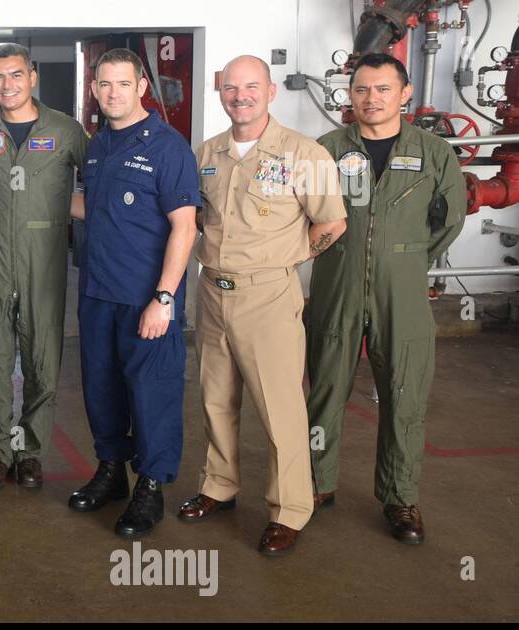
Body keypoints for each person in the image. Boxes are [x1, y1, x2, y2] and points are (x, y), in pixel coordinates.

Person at [177, 56, 347, 556]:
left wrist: (289, 260)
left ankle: (290, 508)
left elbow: (331, 224)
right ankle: (219, 486)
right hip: (211, 292)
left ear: (270, 91)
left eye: (251, 86)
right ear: (221, 93)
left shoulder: (304, 153)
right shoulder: (207, 153)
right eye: (231, 88)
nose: (240, 96)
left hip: (269, 295)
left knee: (280, 409)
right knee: (215, 399)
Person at [308, 52, 466, 544]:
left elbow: (451, 217)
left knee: (404, 394)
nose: (370, 99)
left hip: (403, 291)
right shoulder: (326, 149)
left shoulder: (435, 152)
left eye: (381, 90)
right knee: (323, 390)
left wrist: (408, 258)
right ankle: (314, 483)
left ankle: (400, 498)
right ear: (349, 95)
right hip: (336, 284)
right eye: (361, 90)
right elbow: (305, 215)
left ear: (405, 94)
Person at [66, 48, 199, 538]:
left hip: (147, 298)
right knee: (101, 388)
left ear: (141, 86)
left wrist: (164, 299)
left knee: (151, 393)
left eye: (123, 83)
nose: (113, 93)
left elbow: (184, 228)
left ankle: (150, 487)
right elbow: (93, 209)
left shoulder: (168, 147)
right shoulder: (98, 144)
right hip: (99, 293)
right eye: (104, 84)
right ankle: (111, 471)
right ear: (95, 90)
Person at [0, 43, 88, 491]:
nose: (7, 85)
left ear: (32, 76)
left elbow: (99, 183)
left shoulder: (66, 131)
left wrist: (61, 209)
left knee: (42, 358)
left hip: (46, 262)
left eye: (15, 75)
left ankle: (29, 453)